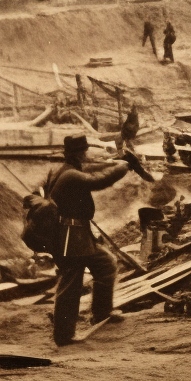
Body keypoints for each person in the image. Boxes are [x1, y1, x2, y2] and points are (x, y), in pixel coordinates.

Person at [47, 135, 139, 345]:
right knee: (71, 282)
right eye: (85, 152)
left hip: (78, 233)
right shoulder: (70, 174)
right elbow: (98, 180)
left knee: (105, 264)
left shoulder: (64, 169)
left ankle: (101, 314)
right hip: (70, 235)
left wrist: (115, 162)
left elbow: (93, 170)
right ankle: (63, 335)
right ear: (81, 153)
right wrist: (123, 166)